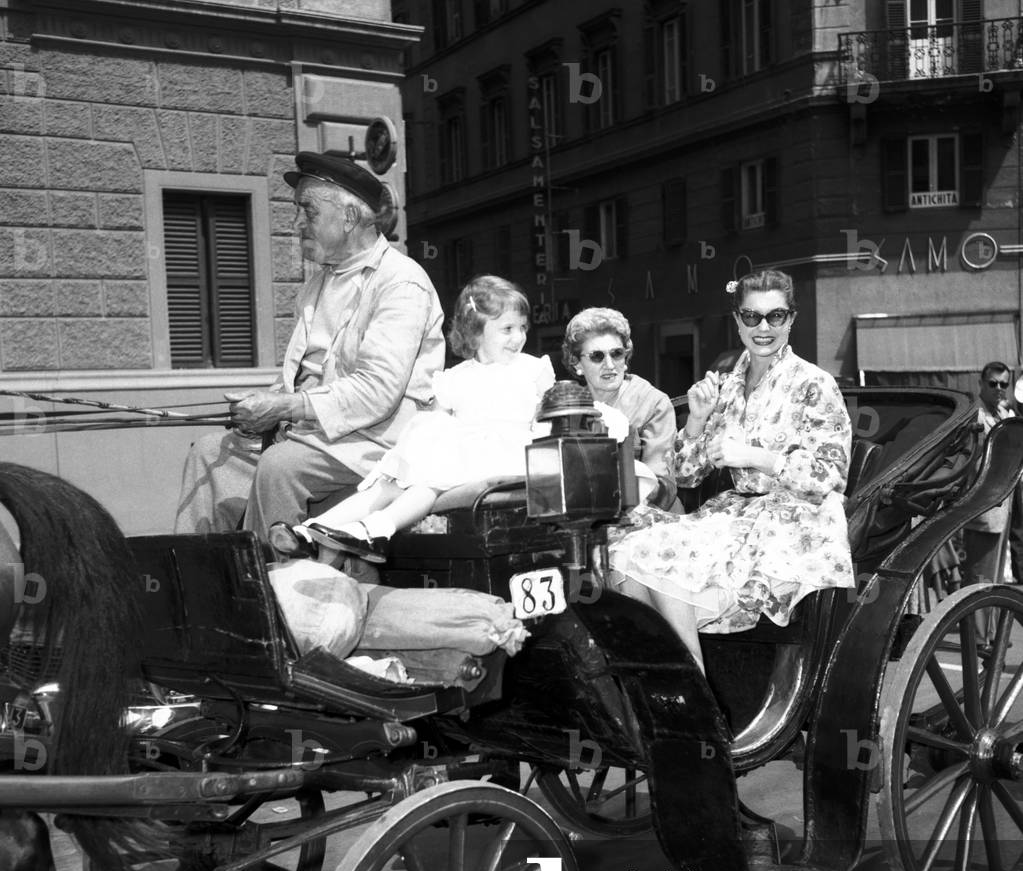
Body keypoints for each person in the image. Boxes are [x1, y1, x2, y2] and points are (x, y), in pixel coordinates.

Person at [174, 150, 445, 538]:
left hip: (373, 444)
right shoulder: (317, 285)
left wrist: (283, 406)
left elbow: (378, 391)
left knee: (280, 466)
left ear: (349, 217)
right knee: (207, 451)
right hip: (312, 436)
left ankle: (268, 583)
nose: (296, 223)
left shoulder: (401, 283)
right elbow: (305, 379)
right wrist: (262, 406)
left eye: (309, 211)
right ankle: (199, 581)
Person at [608, 268, 854, 672]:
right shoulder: (726, 386)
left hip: (792, 523)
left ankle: (693, 686)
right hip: (733, 517)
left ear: (791, 318)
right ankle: (668, 679)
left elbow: (829, 476)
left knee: (664, 567)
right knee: (623, 553)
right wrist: (698, 422)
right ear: (737, 320)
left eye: (775, 316)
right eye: (752, 316)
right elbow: (685, 478)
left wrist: (755, 456)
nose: (763, 327)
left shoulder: (815, 383)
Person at [271, 275, 557, 562]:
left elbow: (547, 423)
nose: (518, 337)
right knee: (391, 483)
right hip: (467, 456)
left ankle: (376, 529)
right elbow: (433, 426)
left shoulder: (532, 370)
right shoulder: (455, 378)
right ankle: (310, 531)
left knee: (427, 484)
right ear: (476, 331)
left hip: (510, 458)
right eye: (507, 329)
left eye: (522, 327)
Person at [562, 307, 678, 508]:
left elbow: (663, 488)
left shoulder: (653, 403)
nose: (609, 364)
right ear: (576, 362)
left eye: (616, 354)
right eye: (597, 356)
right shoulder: (570, 407)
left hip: (647, 519)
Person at [962, 361, 1016, 646]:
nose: (998, 389)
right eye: (993, 383)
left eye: (1003, 384)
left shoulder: (1004, 413)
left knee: (994, 576)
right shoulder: (977, 415)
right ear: (981, 384)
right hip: (983, 507)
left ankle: (991, 632)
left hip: (1001, 506)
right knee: (980, 576)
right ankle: (979, 636)